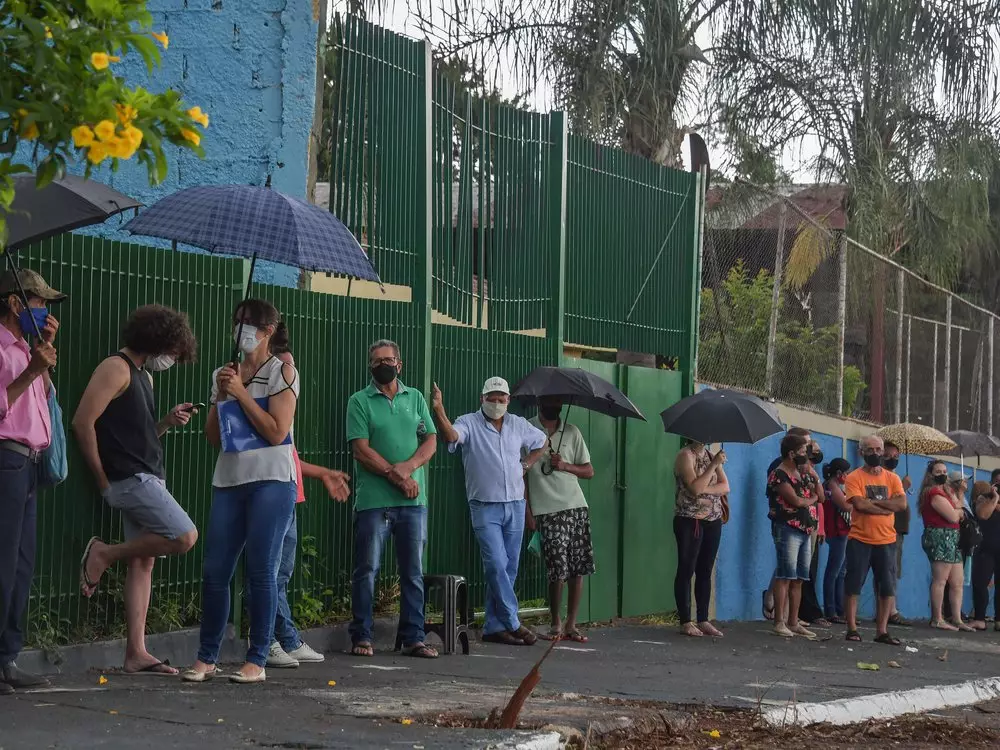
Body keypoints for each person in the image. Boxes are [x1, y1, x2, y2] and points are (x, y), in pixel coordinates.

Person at [73, 305, 200, 675]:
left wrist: (165, 423)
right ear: (154, 340)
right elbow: (82, 424)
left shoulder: (145, 376)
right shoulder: (115, 368)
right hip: (130, 479)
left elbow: (134, 435)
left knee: (143, 563)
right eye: (172, 350)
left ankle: (135, 652)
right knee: (184, 536)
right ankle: (104, 553)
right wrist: (102, 482)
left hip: (147, 474)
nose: (172, 358)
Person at [183, 299, 299, 685]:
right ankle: (206, 657)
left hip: (271, 479)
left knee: (261, 570)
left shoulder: (283, 372)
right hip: (229, 480)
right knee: (216, 570)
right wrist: (221, 395)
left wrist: (243, 394)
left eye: (250, 323)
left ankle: (257, 659)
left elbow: (276, 431)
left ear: (267, 331)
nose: (242, 329)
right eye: (237, 322)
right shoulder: (224, 374)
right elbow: (213, 436)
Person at [431, 376, 546, 646]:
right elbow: (451, 436)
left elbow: (542, 441)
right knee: (495, 564)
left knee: (509, 568)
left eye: (501, 399)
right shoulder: (469, 422)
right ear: (482, 399)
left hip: (515, 503)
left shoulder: (518, 424)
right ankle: (513, 621)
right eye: (491, 399)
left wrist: (527, 463)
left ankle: (494, 627)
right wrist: (439, 410)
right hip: (484, 505)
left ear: (508, 400)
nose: (496, 403)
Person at [345, 339, 439, 659]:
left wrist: (409, 468)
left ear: (400, 364)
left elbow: (430, 441)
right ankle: (362, 636)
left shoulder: (415, 399)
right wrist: (396, 477)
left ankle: (414, 637)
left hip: (414, 501)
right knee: (366, 569)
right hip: (374, 501)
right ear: (370, 366)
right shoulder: (359, 401)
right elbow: (361, 450)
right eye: (376, 361)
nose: (382, 365)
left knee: (413, 572)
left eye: (388, 360)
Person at [262, 343, 351, 669]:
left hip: (292, 495)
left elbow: (292, 458)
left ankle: (287, 639)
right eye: (286, 369)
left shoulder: (286, 412)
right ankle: (266, 640)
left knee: (281, 575)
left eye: (293, 370)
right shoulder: (267, 410)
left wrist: (323, 473)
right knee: (268, 574)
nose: (291, 377)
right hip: (274, 496)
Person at [0, 269, 62, 695]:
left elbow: (45, 400)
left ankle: (7, 656)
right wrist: (29, 370)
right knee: (2, 565)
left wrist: (44, 355)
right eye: (40, 305)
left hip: (29, 464)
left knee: (21, 566)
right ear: (16, 304)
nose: (46, 313)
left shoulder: (27, 348)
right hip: (6, 458)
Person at [526, 396, 596, 643]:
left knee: (579, 567)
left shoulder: (572, 432)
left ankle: (571, 624)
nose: (553, 404)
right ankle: (555, 622)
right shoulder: (527, 428)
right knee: (558, 568)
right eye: (549, 400)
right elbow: (521, 474)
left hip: (576, 505)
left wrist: (565, 465)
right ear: (539, 402)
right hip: (546, 508)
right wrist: (528, 511)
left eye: (557, 401)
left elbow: (588, 471)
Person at [843, 435, 907, 645]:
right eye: (870, 450)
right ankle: (852, 628)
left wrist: (874, 504)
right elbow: (860, 505)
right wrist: (886, 505)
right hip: (860, 539)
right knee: (854, 584)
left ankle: (882, 631)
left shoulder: (892, 478)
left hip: (887, 540)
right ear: (861, 452)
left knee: (887, 587)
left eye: (879, 450)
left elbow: (901, 505)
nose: (876, 454)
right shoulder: (854, 477)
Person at [672, 438, 729, 637]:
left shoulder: (711, 455)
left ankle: (703, 619)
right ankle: (686, 620)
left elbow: (725, 486)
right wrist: (713, 466)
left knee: (705, 570)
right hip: (689, 519)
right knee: (687, 569)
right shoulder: (685, 456)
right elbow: (694, 489)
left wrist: (705, 486)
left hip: (712, 519)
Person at [762, 427, 820, 621]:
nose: (807, 454)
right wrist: (810, 499)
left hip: (806, 528)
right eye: (804, 451)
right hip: (788, 528)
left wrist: (812, 472)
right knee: (786, 573)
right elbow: (796, 501)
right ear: (792, 453)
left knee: (800, 578)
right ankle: (780, 619)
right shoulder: (779, 473)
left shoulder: (803, 471)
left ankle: (793, 620)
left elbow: (821, 496)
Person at [919, 463, 973, 631]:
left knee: (957, 581)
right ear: (930, 474)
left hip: (953, 536)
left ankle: (957, 618)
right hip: (940, 535)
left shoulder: (946, 491)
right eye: (938, 472)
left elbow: (960, 507)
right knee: (940, 579)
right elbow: (952, 516)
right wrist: (957, 511)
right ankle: (937, 618)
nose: (942, 474)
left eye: (944, 471)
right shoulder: (933, 492)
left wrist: (960, 493)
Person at [875, 441, 912, 627]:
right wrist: (903, 488)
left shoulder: (895, 476)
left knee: (893, 570)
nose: (893, 459)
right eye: (889, 455)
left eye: (896, 456)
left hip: (898, 529)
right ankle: (889, 611)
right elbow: (884, 501)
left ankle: (890, 609)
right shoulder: (880, 476)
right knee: (886, 571)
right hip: (885, 529)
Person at [821, 457, 853, 623]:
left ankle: (840, 610)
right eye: (846, 473)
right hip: (836, 532)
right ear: (839, 473)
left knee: (841, 573)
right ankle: (831, 610)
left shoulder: (835, 486)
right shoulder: (831, 486)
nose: (847, 476)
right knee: (833, 572)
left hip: (842, 532)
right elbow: (846, 506)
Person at [970, 478, 1000, 632]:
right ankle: (980, 619)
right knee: (980, 582)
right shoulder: (982, 500)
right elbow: (983, 514)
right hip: (985, 548)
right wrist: (994, 498)